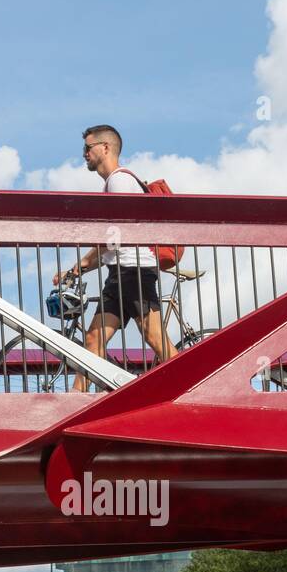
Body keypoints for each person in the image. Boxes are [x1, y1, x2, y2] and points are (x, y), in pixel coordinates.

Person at [53, 125, 179, 392]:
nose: (84, 154)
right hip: (120, 273)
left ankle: (191, 391)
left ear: (105, 148)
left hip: (133, 271)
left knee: (155, 338)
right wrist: (78, 269)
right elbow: (111, 244)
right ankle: (75, 403)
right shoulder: (114, 184)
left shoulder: (120, 181)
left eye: (88, 148)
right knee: (93, 338)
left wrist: (79, 267)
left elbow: (115, 239)